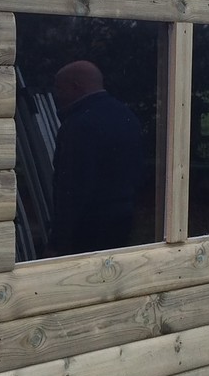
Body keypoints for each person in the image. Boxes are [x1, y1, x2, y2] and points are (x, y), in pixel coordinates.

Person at [50, 60, 145, 256]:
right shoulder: (126, 116)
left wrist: (57, 242)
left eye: (60, 89)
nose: (56, 95)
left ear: (76, 87)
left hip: (88, 227)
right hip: (123, 218)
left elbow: (72, 189)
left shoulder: (79, 125)